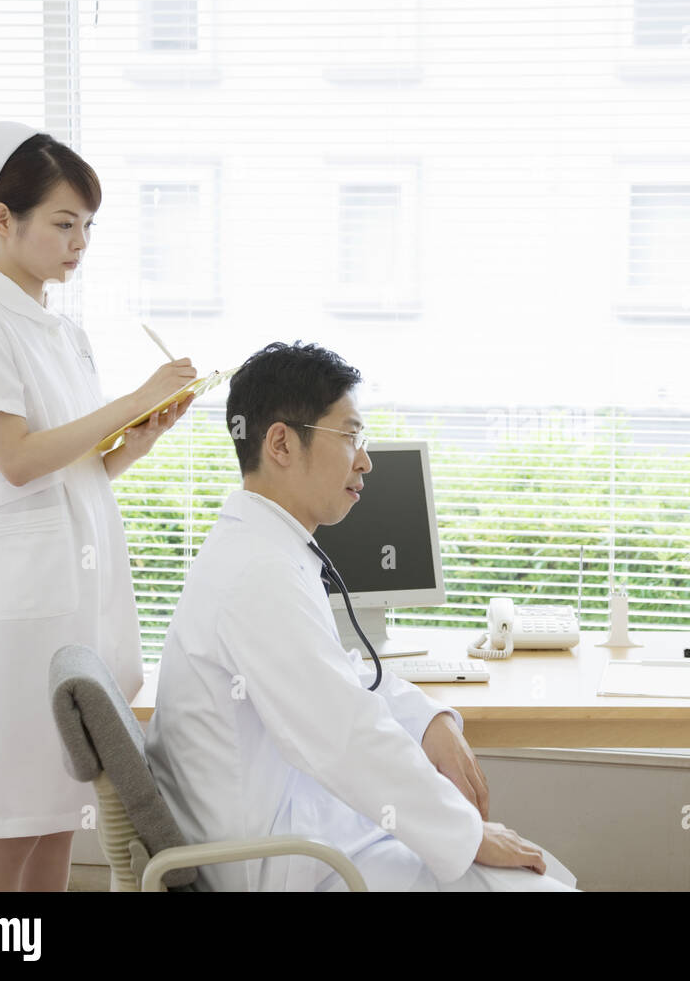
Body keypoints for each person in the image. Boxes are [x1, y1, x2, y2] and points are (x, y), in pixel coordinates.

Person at [144, 341, 576, 891]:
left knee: (535, 874)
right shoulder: (258, 572)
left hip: (307, 831)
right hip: (287, 860)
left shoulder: (262, 551)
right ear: (281, 443)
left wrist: (428, 719)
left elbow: (338, 675)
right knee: (529, 881)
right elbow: (342, 732)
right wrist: (466, 833)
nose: (365, 459)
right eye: (349, 435)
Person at [0, 121, 197, 891]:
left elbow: (74, 470)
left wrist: (136, 439)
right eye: (63, 223)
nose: (78, 242)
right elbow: (16, 460)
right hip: (15, 609)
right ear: (2, 218)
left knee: (59, 810)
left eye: (87, 226)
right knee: (6, 816)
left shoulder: (65, 333)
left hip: (69, 593)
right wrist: (127, 401)